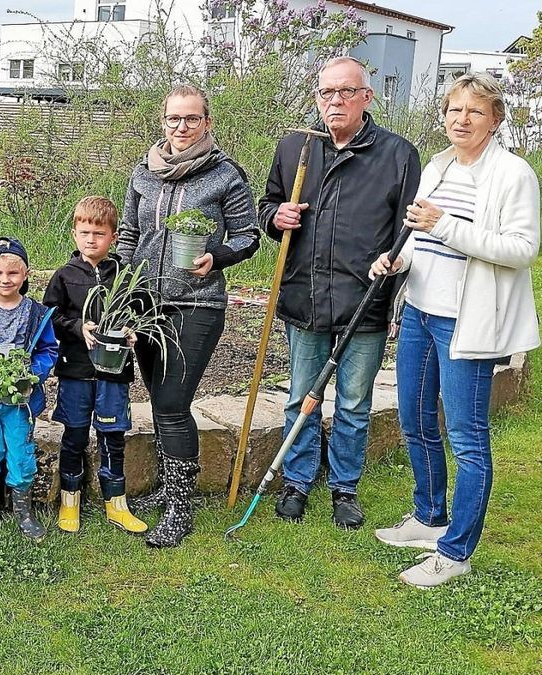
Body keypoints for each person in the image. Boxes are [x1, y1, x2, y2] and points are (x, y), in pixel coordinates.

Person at [369, 73, 539, 587]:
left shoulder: (513, 175)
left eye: (475, 112)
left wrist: (444, 224)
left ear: (496, 120)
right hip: (420, 309)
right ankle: (428, 516)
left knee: (468, 439)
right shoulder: (437, 167)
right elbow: (422, 237)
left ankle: (456, 552)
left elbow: (521, 249)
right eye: (454, 110)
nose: (461, 120)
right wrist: (397, 261)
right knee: (416, 420)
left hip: (469, 322)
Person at [258, 56, 420, 529]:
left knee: (353, 401)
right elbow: (270, 202)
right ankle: (297, 481)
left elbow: (406, 231)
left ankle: (344, 487)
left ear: (367, 97)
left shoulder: (397, 154)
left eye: (345, 92)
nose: (335, 101)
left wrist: (394, 270)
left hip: (364, 300)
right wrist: (276, 217)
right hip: (305, 295)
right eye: (326, 93)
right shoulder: (295, 148)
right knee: (301, 397)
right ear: (317, 98)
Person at [117, 84, 260, 547]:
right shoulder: (144, 173)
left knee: (174, 403)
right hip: (145, 306)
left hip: (197, 304)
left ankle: (181, 508)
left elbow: (248, 234)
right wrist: (116, 280)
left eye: (191, 119)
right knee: (159, 400)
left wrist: (215, 258)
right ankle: (166, 488)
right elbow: (128, 232)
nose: (181, 127)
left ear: (207, 123)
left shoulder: (225, 175)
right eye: (173, 119)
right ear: (163, 121)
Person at [42, 196, 147, 537]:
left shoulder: (125, 276)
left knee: (112, 435)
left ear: (113, 237)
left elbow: (140, 312)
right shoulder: (64, 276)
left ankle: (116, 502)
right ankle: (69, 499)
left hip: (114, 374)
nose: (91, 239)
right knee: (73, 435)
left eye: (99, 233)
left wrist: (132, 331)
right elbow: (50, 317)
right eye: (85, 231)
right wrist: (78, 327)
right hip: (75, 371)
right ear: (74, 233)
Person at [0, 237, 59, 541]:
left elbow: (48, 351)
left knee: (21, 453)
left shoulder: (37, 314)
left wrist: (32, 373)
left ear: (26, 274)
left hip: (22, 400)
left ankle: (23, 512)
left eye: (13, 274)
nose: (5, 280)